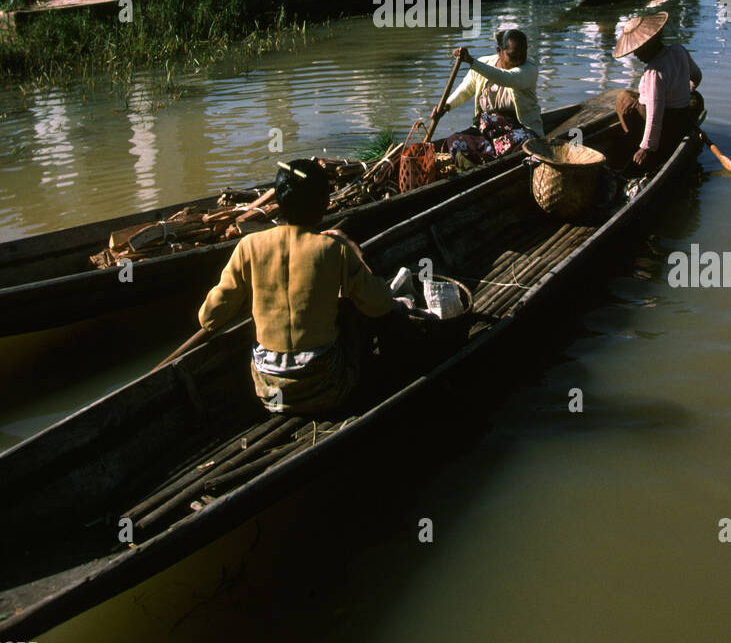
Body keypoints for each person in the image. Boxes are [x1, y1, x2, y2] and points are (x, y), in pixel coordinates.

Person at [198, 159, 397, 416]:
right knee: (351, 310)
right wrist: (354, 251)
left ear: (278, 204)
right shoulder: (335, 250)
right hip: (327, 386)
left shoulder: (248, 246)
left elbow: (209, 318)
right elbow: (381, 305)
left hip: (269, 392)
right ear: (325, 204)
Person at [431, 28, 544, 162]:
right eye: (513, 56)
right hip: (487, 130)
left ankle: (490, 158)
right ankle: (483, 160)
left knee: (526, 142)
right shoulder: (484, 64)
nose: (519, 60)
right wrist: (446, 106)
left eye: (523, 54)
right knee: (454, 142)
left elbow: (505, 78)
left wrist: (472, 62)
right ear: (499, 51)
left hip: (519, 129)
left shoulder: (529, 69)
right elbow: (465, 91)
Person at [613, 11, 703, 172]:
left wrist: (646, 148)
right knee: (696, 98)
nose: (635, 54)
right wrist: (684, 89)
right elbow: (696, 76)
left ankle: (634, 139)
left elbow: (655, 113)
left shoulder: (654, 72)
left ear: (649, 45)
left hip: (666, 120)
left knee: (623, 98)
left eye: (638, 49)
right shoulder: (678, 50)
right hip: (681, 114)